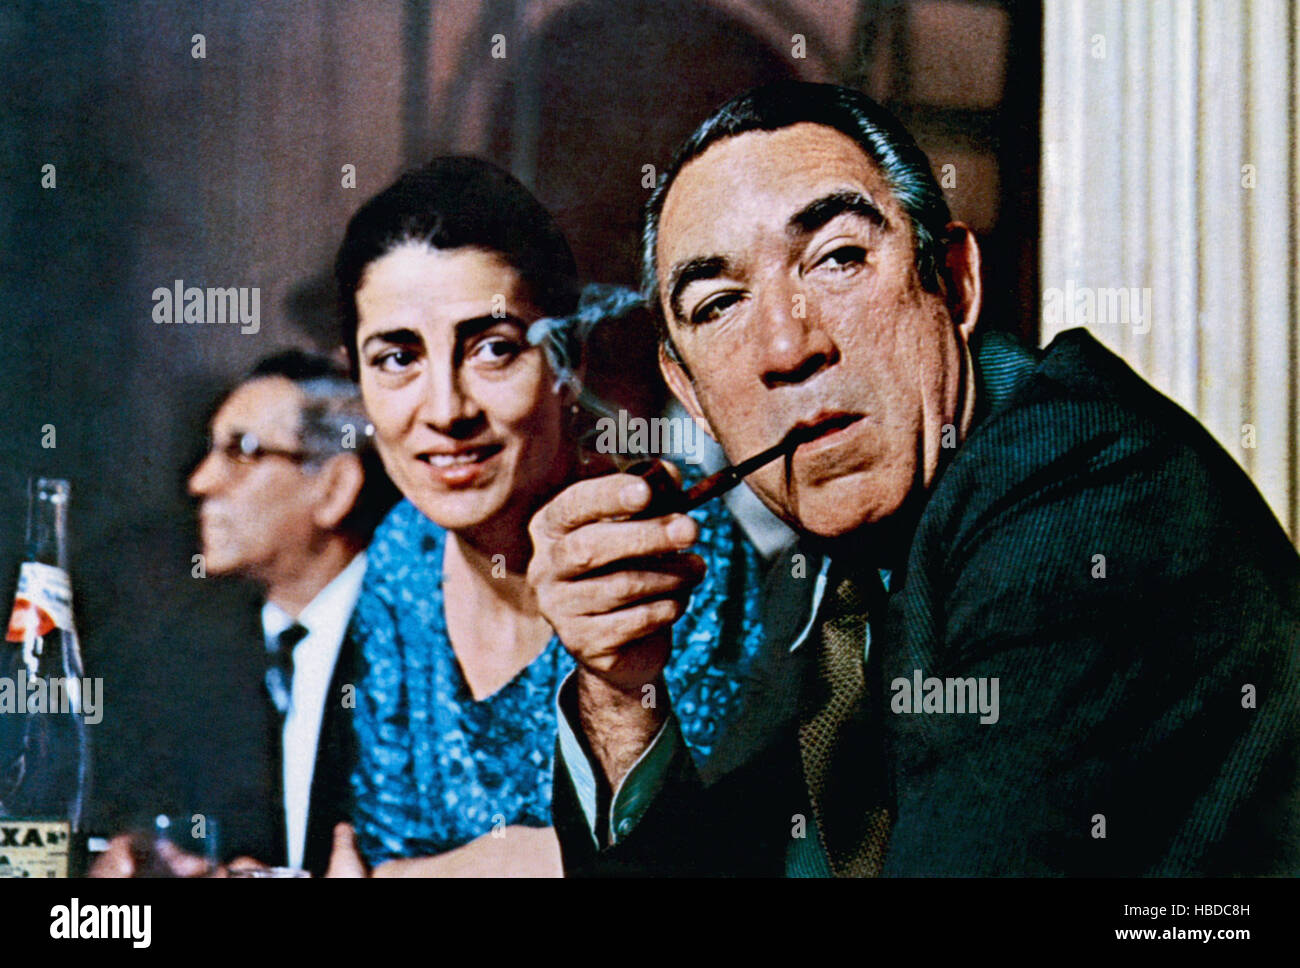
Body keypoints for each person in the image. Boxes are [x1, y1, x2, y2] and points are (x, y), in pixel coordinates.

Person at [528, 81, 1300, 876]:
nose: (788, 348)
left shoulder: (1087, 503)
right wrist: (620, 692)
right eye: (721, 304)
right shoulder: (831, 582)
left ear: (955, 283)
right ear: (689, 391)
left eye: (837, 259)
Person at [323, 156, 767, 877]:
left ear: (570, 364)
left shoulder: (674, 544)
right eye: (397, 358)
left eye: (494, 350)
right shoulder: (402, 552)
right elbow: (380, 857)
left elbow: (676, 861)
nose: (445, 411)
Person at [91, 350, 396, 877]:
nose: (201, 482)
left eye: (242, 452)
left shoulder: (425, 641)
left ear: (334, 487)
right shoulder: (187, 657)